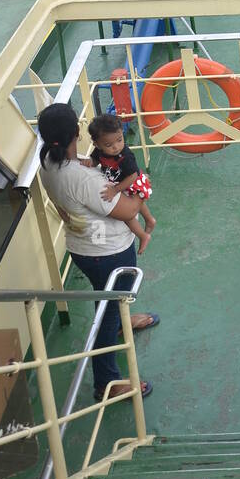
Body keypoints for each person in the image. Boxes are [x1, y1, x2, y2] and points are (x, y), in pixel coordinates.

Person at [37, 102, 156, 403]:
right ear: (76, 131)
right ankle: (107, 382)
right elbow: (128, 209)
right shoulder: (84, 178)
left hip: (83, 249)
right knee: (108, 310)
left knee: (109, 300)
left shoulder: (48, 163)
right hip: (109, 254)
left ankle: (120, 321)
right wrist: (142, 190)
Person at [86, 114, 156, 254]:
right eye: (108, 145)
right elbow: (95, 160)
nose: (116, 147)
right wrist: (90, 162)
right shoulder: (99, 152)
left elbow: (132, 176)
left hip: (131, 181)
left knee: (126, 214)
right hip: (122, 180)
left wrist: (115, 190)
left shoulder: (125, 155)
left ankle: (143, 235)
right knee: (138, 202)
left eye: (119, 140)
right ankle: (150, 220)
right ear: (96, 144)